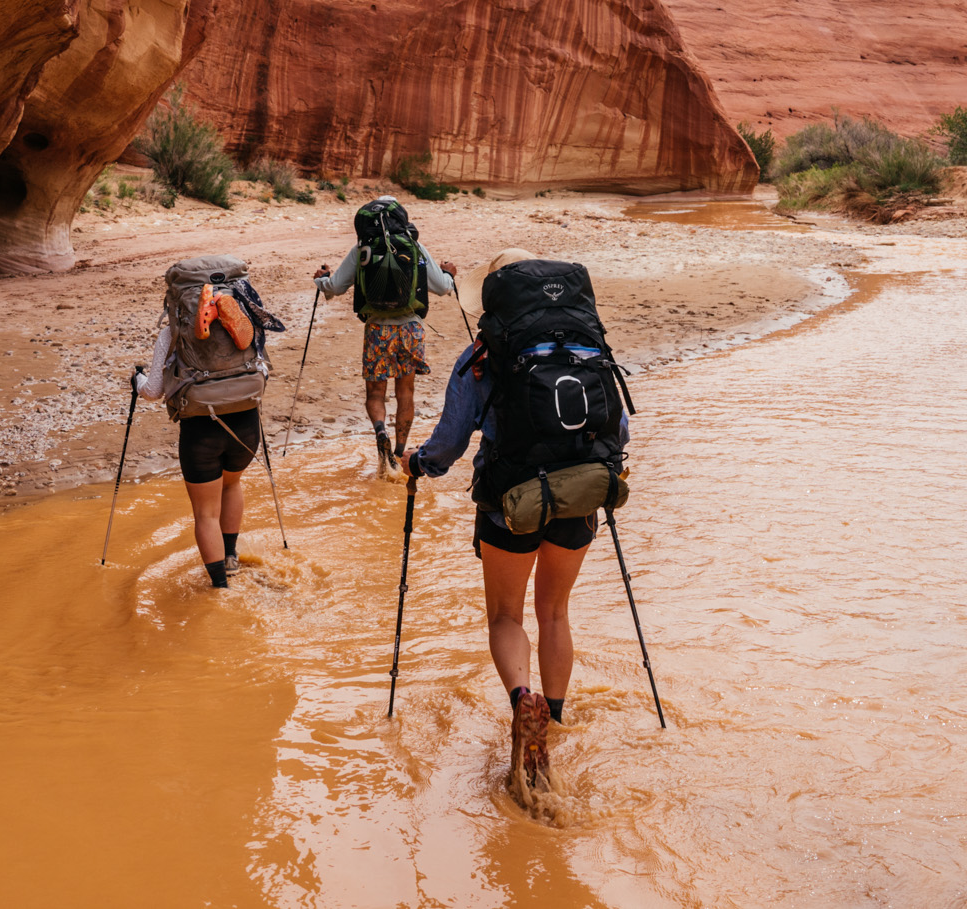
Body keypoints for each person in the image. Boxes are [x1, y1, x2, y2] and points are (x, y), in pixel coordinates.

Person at [401, 248, 629, 797]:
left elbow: (450, 442)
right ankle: (552, 715)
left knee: (506, 615)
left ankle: (520, 700)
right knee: (554, 612)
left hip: (511, 499)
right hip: (579, 494)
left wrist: (419, 466)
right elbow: (618, 427)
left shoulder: (483, 354)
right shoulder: (586, 344)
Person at [157, 263, 283, 589]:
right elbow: (264, 367)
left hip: (201, 430)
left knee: (205, 514)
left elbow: (153, 390)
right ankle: (231, 558)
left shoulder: (172, 330)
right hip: (246, 424)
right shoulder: (251, 317)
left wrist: (138, 379)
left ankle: (220, 591)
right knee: (231, 485)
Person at [313, 196, 459, 471]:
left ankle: (380, 433)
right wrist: (448, 273)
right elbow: (441, 288)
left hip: (377, 330)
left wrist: (320, 278)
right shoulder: (414, 246)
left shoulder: (362, 249)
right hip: (410, 330)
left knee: (375, 393)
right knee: (406, 391)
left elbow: (334, 287)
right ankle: (400, 451)